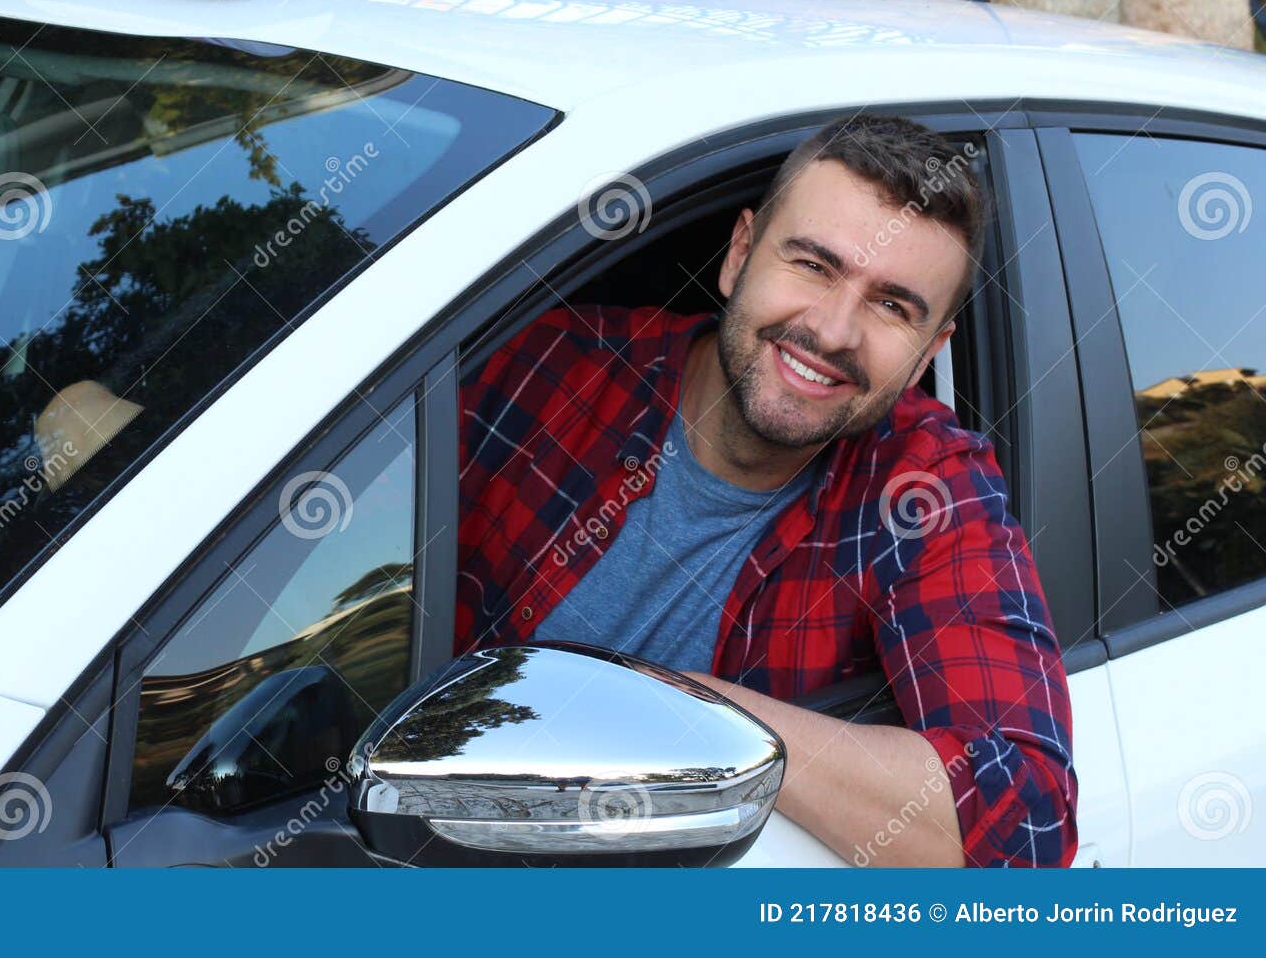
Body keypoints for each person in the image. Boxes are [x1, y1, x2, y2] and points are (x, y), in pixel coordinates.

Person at [456, 114, 1076, 867]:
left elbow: (1024, 826)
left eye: (892, 305)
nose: (833, 328)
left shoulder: (923, 484)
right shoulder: (547, 366)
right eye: (814, 265)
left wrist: (683, 710)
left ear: (927, 355)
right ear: (739, 253)